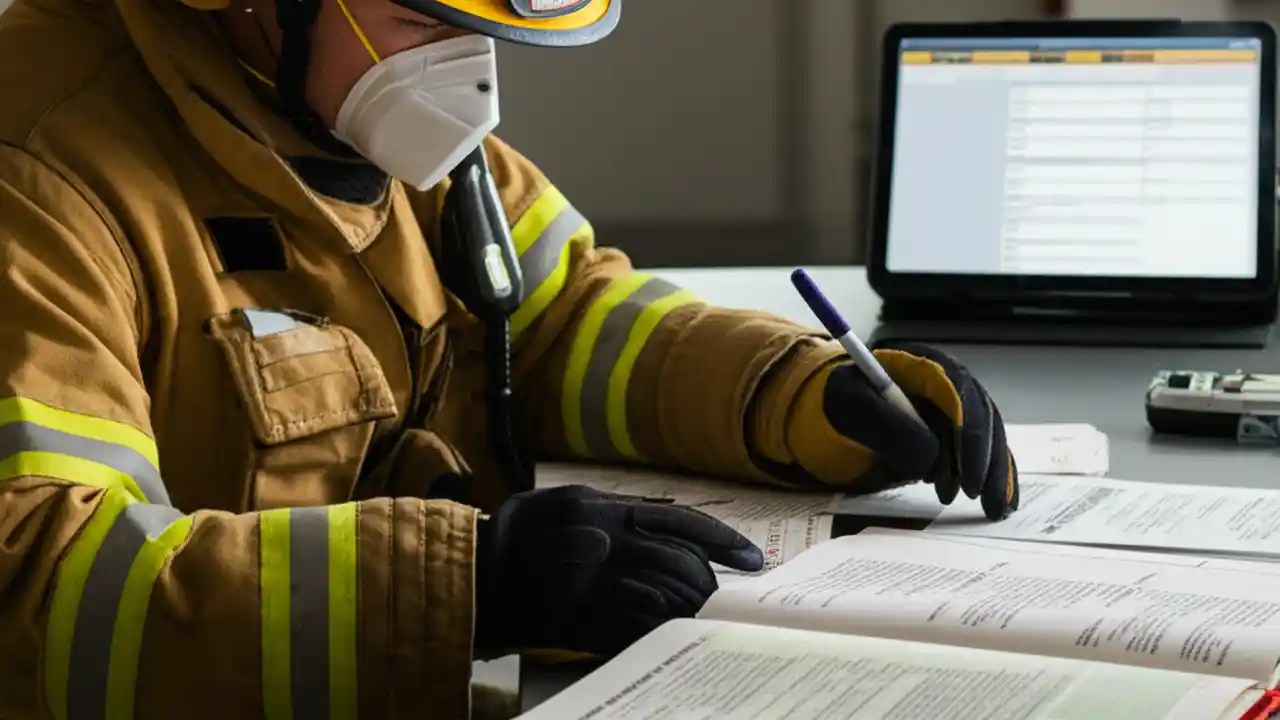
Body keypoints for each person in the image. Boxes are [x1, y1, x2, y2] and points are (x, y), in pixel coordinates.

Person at [0, 0, 1020, 716]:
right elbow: (41, 590)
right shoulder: (38, 177)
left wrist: (796, 393)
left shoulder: (352, 108)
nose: (469, 75)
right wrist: (466, 586)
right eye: (427, 18)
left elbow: (569, 323)